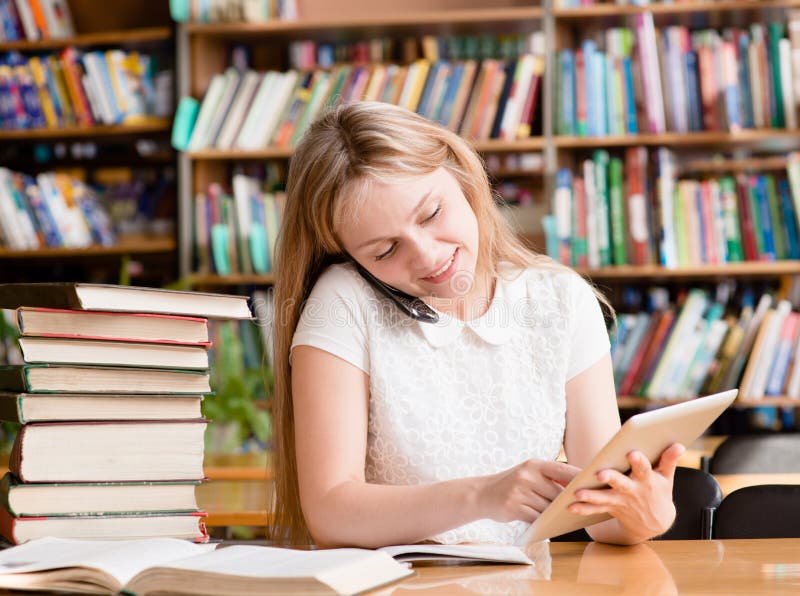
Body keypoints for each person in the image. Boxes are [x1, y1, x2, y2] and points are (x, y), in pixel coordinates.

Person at [270, 101, 683, 548]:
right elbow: (330, 512)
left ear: (461, 174)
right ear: (349, 254)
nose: (427, 256)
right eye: (385, 251)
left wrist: (647, 515)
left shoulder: (560, 299)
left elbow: (604, 515)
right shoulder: (344, 301)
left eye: (431, 214)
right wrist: (482, 495)